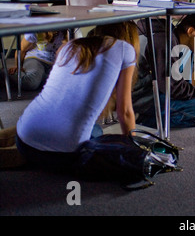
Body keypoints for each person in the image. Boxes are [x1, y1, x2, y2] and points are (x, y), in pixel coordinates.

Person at [15, 22, 140, 170]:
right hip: (65, 155)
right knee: (96, 132)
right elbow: (124, 112)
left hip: (23, 141)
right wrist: (134, 150)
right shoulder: (125, 49)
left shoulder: (68, 46)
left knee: (87, 126)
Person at [133, 14, 195, 129]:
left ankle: (152, 117)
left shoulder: (173, 37)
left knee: (190, 49)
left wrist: (193, 94)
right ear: (191, 31)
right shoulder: (164, 42)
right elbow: (171, 87)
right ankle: (144, 121)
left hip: (155, 88)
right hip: (141, 97)